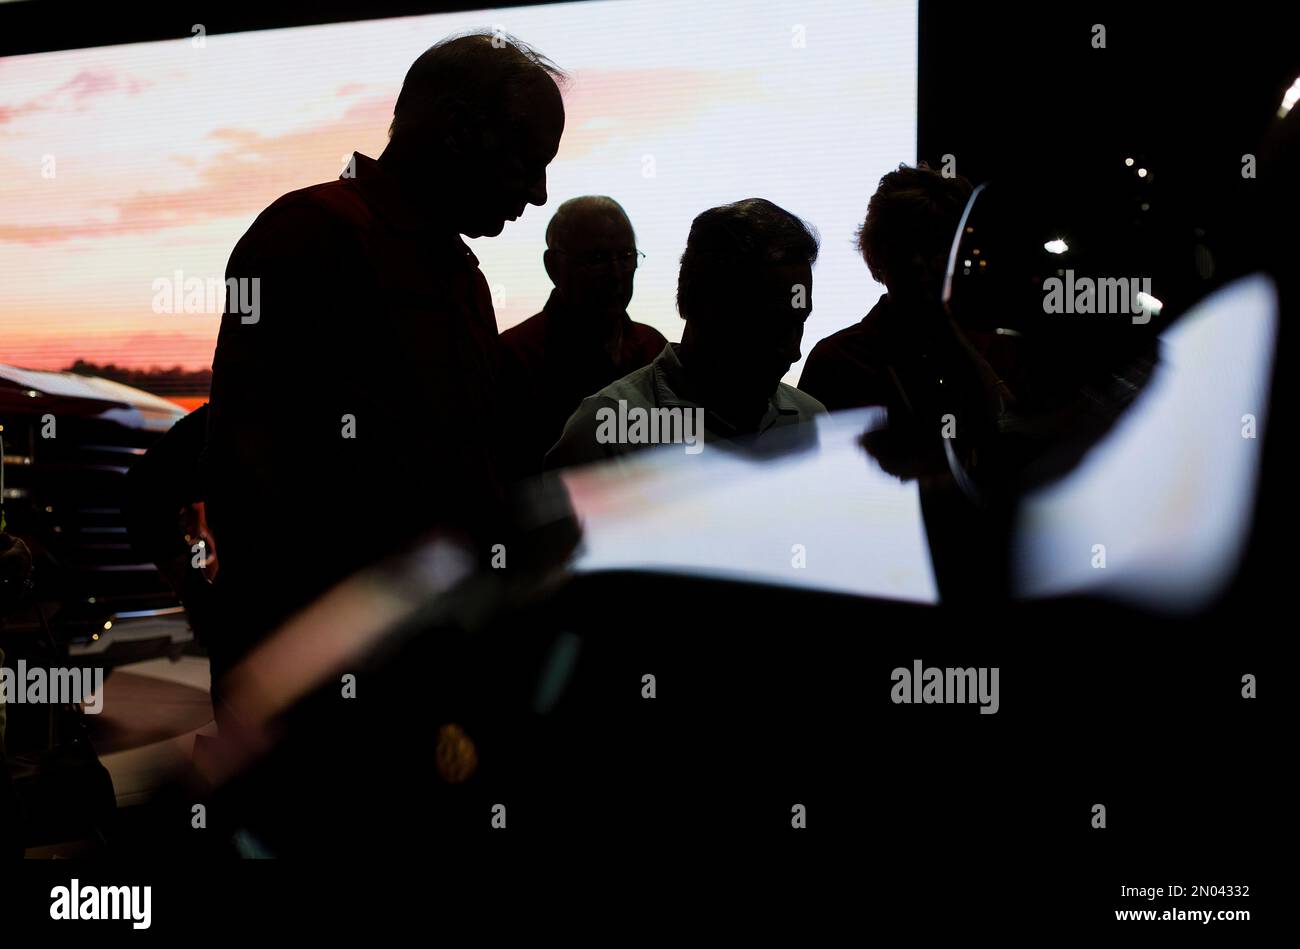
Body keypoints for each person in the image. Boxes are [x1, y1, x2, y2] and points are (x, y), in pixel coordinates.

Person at [202, 31, 566, 688]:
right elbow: (251, 483)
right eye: (526, 159)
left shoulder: (457, 273)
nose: (539, 192)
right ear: (458, 129)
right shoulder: (309, 236)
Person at [545, 198, 825, 469]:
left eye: (799, 322)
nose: (793, 352)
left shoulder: (811, 422)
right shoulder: (603, 434)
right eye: (771, 328)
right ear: (703, 305)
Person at [499, 196, 666, 476]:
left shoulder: (653, 347)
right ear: (553, 266)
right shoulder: (515, 356)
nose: (616, 274)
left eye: (626, 257)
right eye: (598, 259)